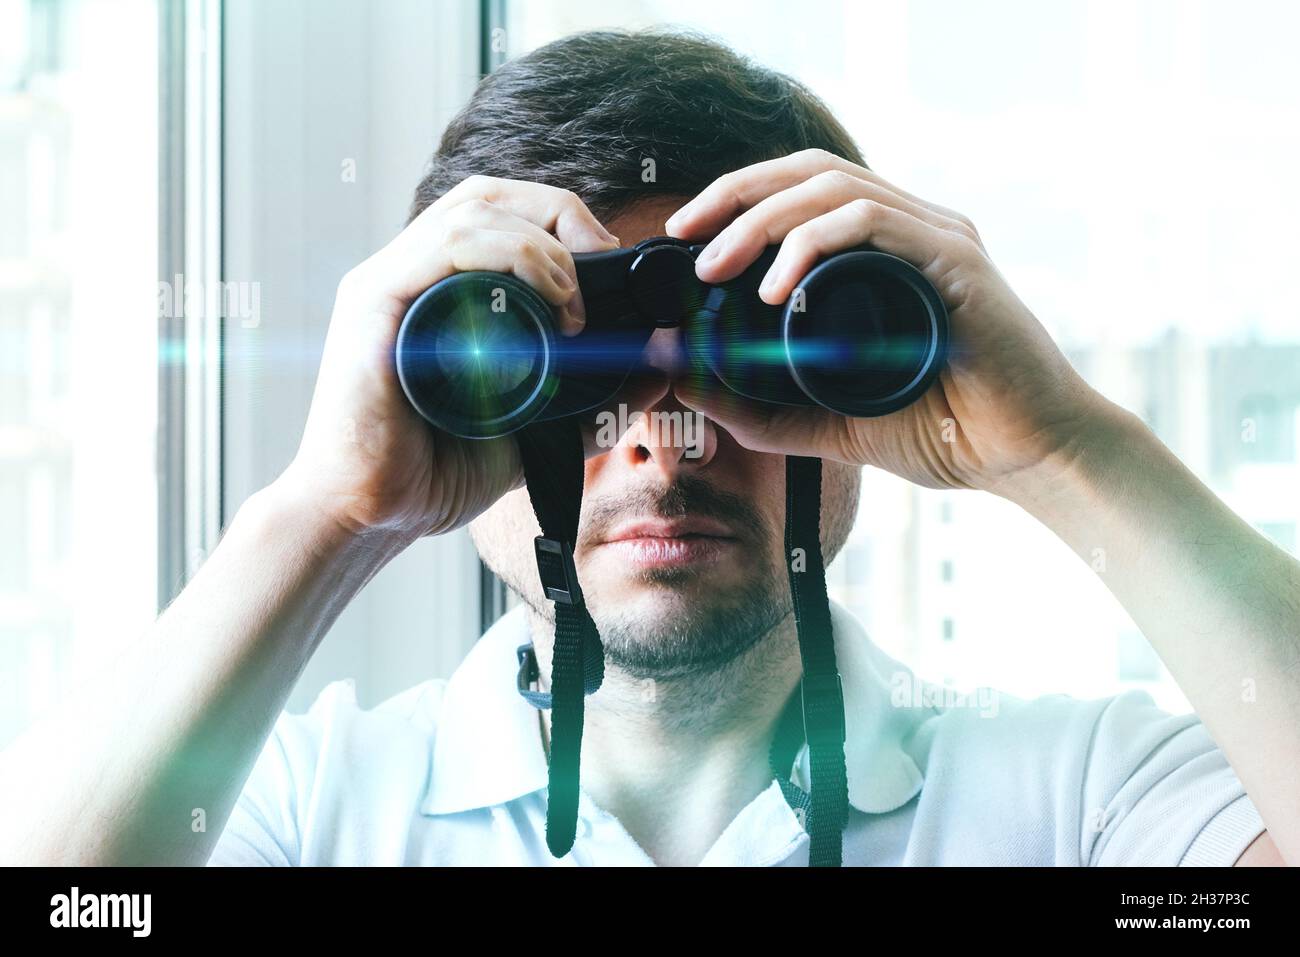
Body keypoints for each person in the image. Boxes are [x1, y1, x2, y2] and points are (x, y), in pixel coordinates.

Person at [1, 30, 1292, 867]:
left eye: (756, 362)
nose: (663, 453)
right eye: (567, 368)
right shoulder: (300, 806)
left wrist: (1062, 447)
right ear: (440, 386)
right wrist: (329, 508)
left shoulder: (1083, 795)